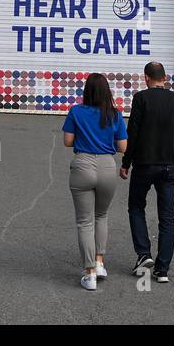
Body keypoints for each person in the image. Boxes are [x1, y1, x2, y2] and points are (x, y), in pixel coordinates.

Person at [120, 61, 174, 284]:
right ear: (165, 78)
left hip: (144, 165)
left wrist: (126, 163)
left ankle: (143, 254)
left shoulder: (141, 99)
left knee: (136, 207)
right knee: (167, 217)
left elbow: (134, 132)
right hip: (170, 167)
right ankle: (162, 269)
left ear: (146, 78)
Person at [62, 73, 129, 291]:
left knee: (84, 221)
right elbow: (123, 147)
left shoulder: (76, 111)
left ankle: (89, 273)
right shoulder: (115, 114)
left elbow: (67, 141)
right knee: (101, 215)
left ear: (86, 91)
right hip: (108, 166)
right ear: (107, 91)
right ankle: (100, 263)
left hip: (82, 165)